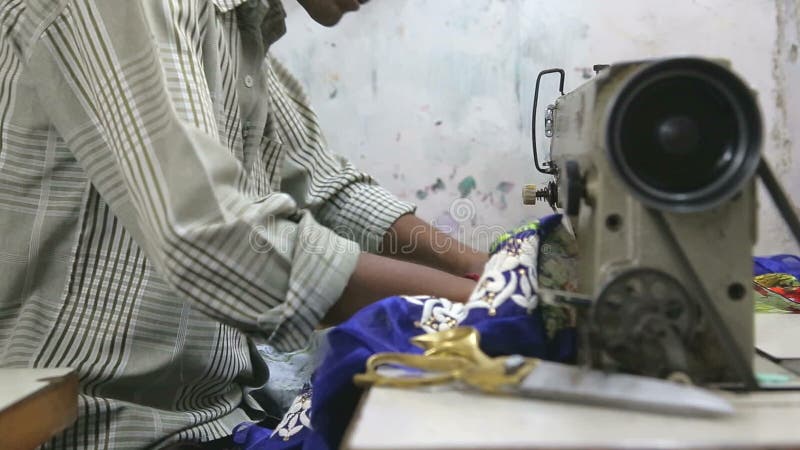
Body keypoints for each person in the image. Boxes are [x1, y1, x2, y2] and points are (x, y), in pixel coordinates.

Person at [0, 0, 487, 448]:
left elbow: (328, 188)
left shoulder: (237, 31)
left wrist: (485, 270)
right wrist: (486, 305)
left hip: (210, 412)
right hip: (94, 425)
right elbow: (213, 238)